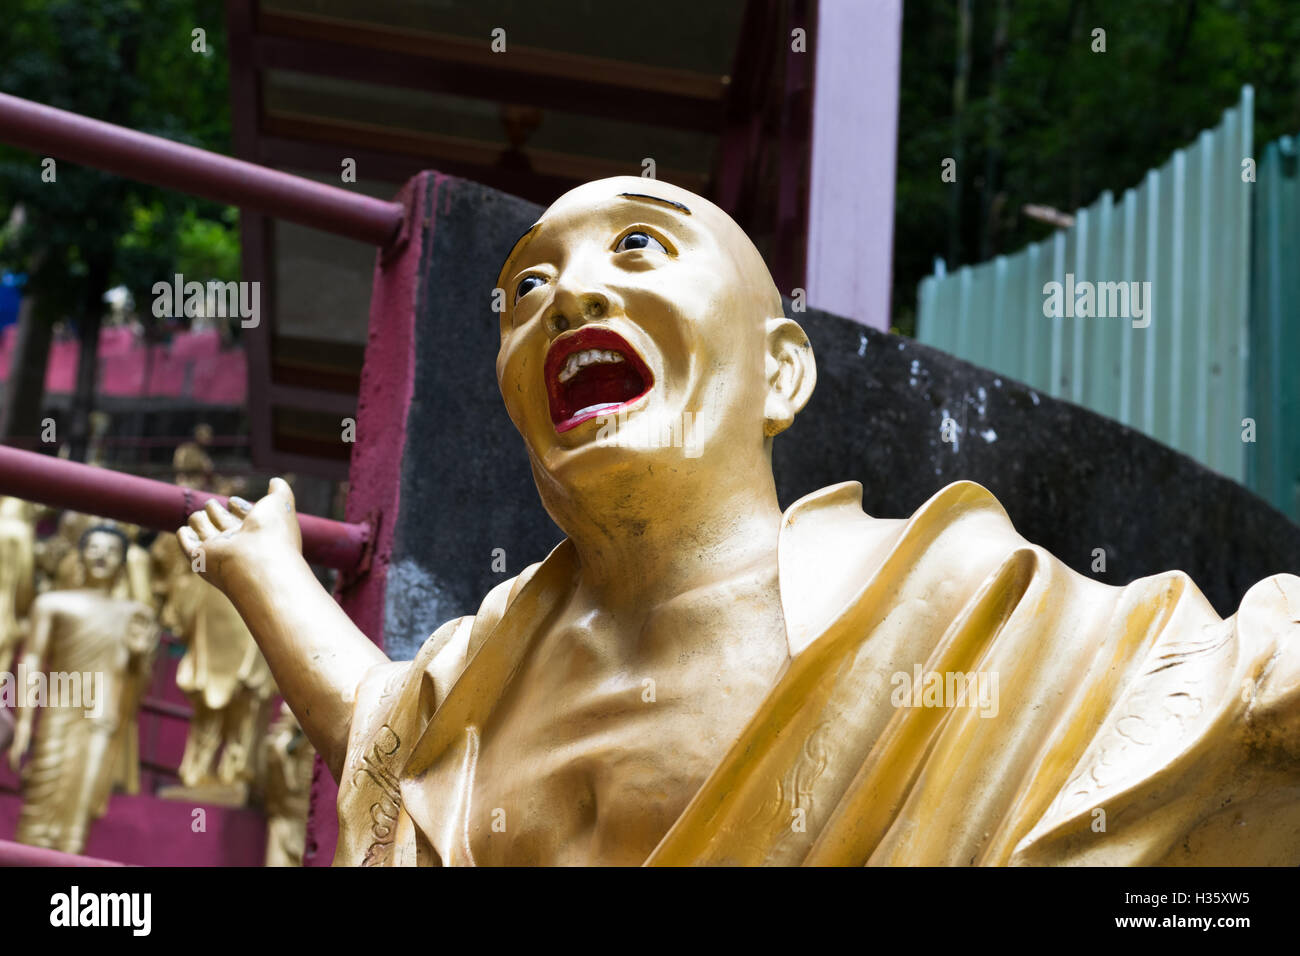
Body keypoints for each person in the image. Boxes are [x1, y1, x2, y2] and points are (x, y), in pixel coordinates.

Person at [178, 176, 1300, 866]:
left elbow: (1245, 694)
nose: (567, 296)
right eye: (526, 289)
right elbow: (377, 729)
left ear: (779, 372)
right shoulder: (481, 670)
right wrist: (263, 570)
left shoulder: (953, 619)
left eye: (637, 247)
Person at [10, 525, 158, 854]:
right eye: (93, 548)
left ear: (123, 562)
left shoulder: (134, 615)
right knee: (43, 788)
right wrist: (22, 723)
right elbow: (32, 658)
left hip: (100, 715)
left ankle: (68, 868)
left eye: (111, 551)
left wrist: (138, 658)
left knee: (82, 794)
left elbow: (137, 683)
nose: (102, 556)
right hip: (60, 708)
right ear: (80, 554)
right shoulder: (52, 603)